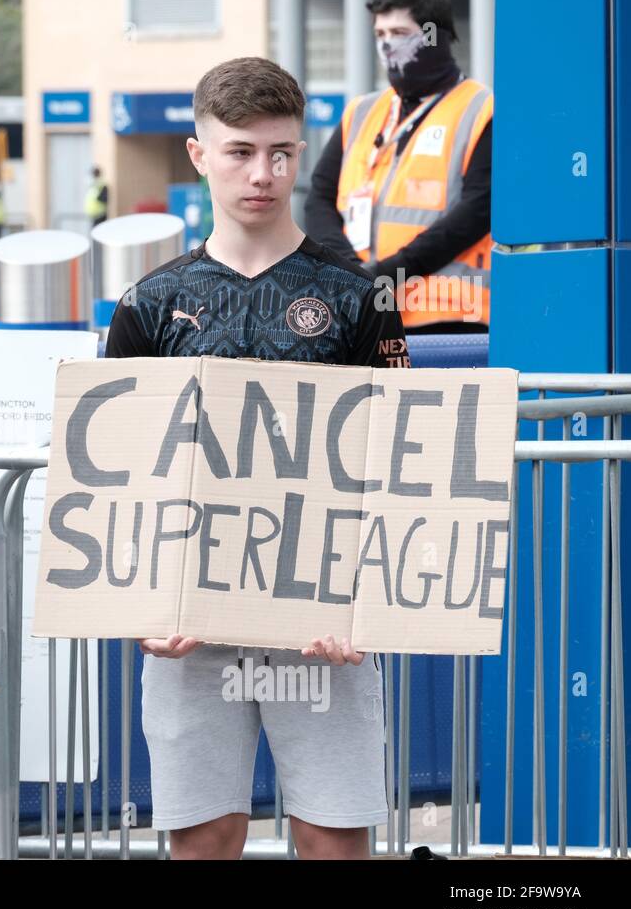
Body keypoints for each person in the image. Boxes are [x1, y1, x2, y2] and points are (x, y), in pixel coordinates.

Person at [105, 56, 410, 860]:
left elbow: (400, 461)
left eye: (282, 151)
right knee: (204, 838)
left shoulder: (360, 295)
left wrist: (367, 604)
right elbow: (120, 473)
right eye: (241, 151)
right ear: (199, 153)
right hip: (192, 616)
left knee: (333, 836)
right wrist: (140, 605)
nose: (265, 173)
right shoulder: (145, 304)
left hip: (323, 612)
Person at [305, 0, 492, 333]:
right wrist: (351, 272)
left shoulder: (481, 109)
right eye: (380, 35)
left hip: (447, 316)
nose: (388, 44)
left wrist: (386, 274)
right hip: (364, 314)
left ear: (436, 35)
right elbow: (319, 198)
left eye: (399, 32)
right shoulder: (360, 113)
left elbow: (478, 211)